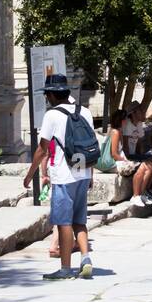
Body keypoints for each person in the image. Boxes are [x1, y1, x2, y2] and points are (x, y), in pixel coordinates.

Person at [24, 75, 94, 280]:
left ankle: (65, 268)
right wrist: (92, 174)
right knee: (79, 219)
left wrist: (31, 174)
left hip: (64, 174)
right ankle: (85, 258)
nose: (47, 98)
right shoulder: (85, 112)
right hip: (83, 171)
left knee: (64, 222)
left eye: (47, 95)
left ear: (53, 94)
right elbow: (90, 144)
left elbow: (42, 149)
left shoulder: (52, 115)